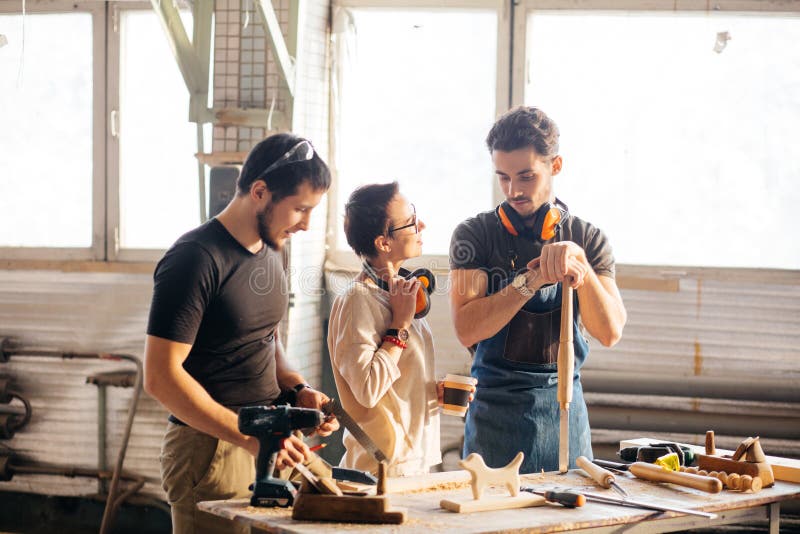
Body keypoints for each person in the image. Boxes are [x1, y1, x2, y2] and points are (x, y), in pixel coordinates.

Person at [143, 133, 339, 534]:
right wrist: (250, 437)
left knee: (341, 506)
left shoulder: (273, 248)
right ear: (260, 192)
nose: (305, 224)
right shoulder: (195, 259)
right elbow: (161, 377)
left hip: (271, 434)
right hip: (212, 448)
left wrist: (297, 388)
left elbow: (268, 338)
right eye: (300, 209)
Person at [448, 107, 627, 473]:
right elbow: (467, 328)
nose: (514, 190)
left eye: (526, 177)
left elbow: (609, 331)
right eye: (504, 178)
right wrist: (530, 282)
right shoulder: (474, 237)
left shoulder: (588, 238)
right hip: (494, 424)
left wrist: (580, 265)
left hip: (564, 417)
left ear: (555, 165)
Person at [327, 182, 444, 476]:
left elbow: (394, 383)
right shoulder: (356, 300)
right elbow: (367, 391)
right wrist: (400, 327)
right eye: (411, 222)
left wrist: (431, 392)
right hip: (381, 470)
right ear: (383, 243)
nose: (422, 225)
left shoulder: (399, 294)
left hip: (413, 462)